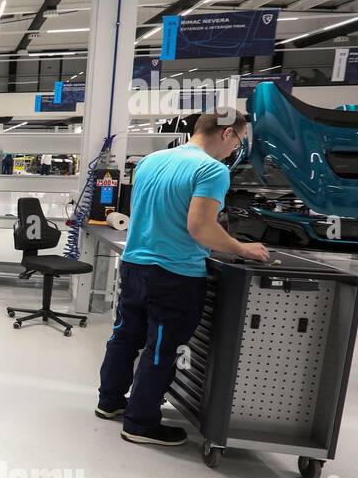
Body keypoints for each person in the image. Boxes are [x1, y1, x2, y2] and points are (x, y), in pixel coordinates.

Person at [96, 107, 270, 446]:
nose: (235, 150)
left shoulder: (151, 161)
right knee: (160, 348)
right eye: (238, 141)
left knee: (124, 336)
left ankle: (110, 402)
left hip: (134, 265)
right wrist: (242, 248)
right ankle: (141, 423)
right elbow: (200, 228)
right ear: (226, 133)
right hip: (175, 273)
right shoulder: (212, 170)